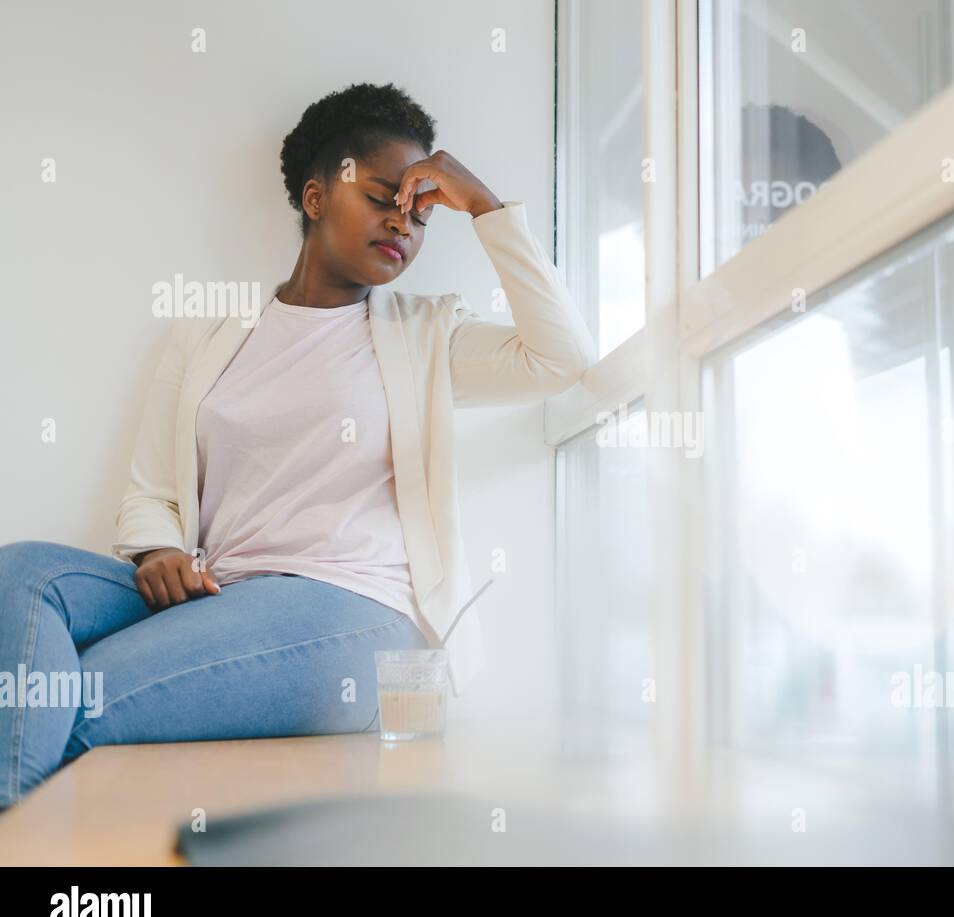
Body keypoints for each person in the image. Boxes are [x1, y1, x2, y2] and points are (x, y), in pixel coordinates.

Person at [0, 82, 595, 811]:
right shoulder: (208, 332)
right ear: (316, 198)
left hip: (351, 610)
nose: (401, 224)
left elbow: (561, 359)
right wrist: (157, 549)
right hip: (215, 592)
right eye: (381, 196)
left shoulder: (426, 336)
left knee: (76, 700)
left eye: (420, 212)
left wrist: (487, 210)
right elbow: (153, 489)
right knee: (24, 574)